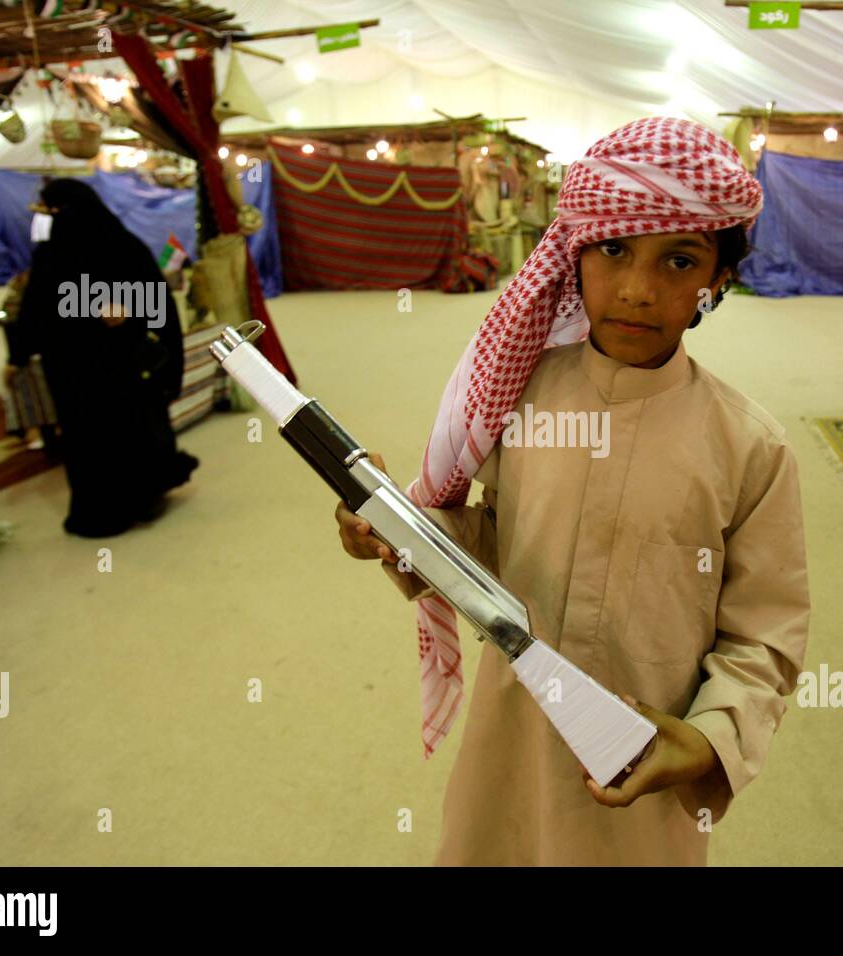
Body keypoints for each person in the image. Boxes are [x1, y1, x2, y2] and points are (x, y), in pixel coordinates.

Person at [336, 118, 810, 865]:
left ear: (716, 281)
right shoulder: (520, 395)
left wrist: (702, 738)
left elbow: (764, 640)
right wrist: (403, 536)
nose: (636, 289)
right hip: (511, 738)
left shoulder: (751, 447)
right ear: (573, 254)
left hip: (641, 762)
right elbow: (496, 545)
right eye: (613, 250)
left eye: (678, 260)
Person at [7, 179, 197, 537]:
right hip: (72, 367)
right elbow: (36, 309)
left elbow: (157, 304)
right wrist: (17, 355)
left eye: (55, 213)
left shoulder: (120, 248)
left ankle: (140, 498)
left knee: (123, 430)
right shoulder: (53, 255)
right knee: (90, 438)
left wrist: (129, 313)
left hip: (112, 365)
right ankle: (111, 506)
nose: (52, 221)